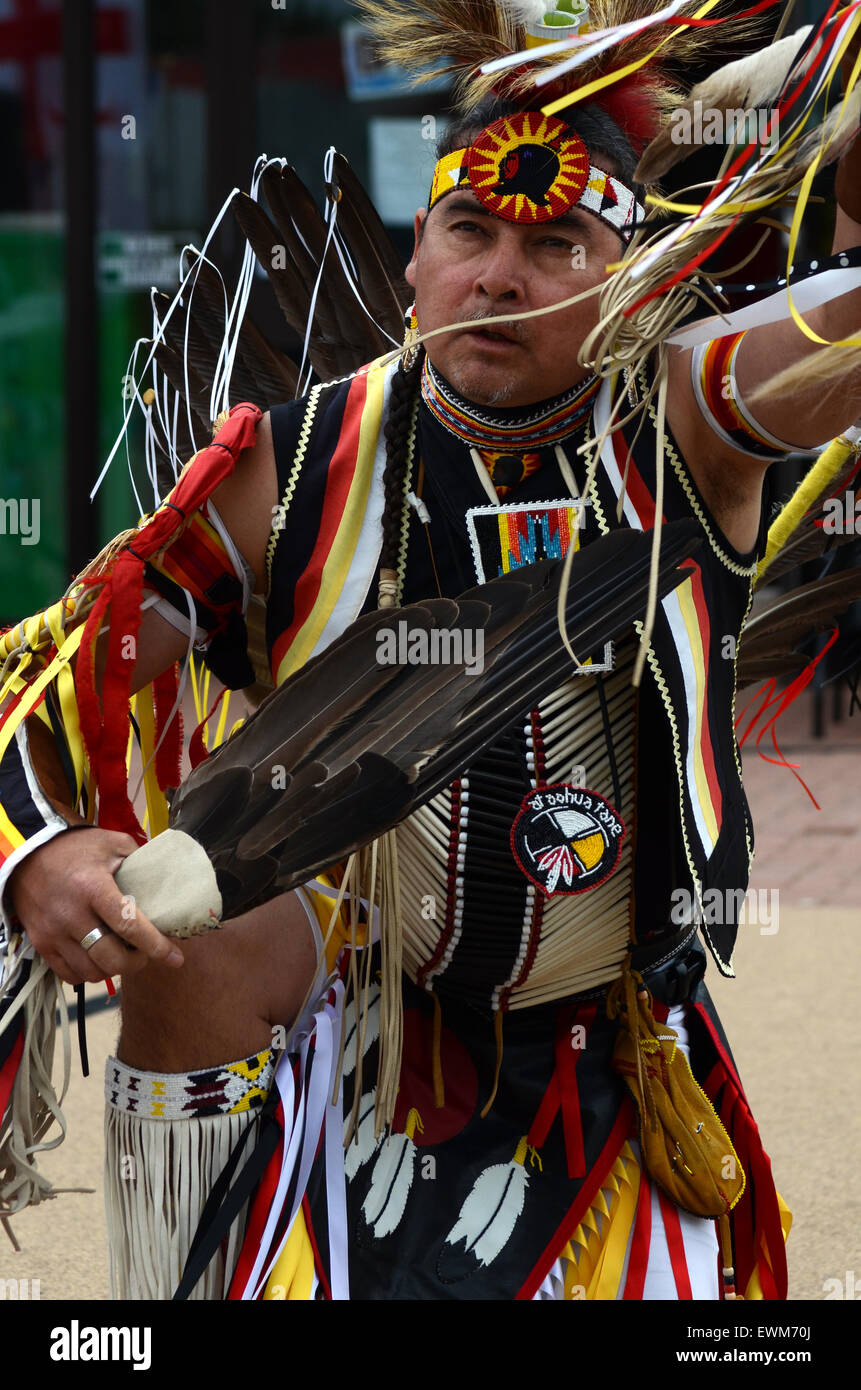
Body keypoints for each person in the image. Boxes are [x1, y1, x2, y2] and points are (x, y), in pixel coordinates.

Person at [2, 0, 861, 1300]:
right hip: (364, 1028)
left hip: (607, 1051)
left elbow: (841, 334)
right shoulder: (288, 471)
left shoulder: (689, 422)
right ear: (417, 253)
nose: (496, 276)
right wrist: (43, 852)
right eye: (468, 231)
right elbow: (54, 674)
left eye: (556, 242)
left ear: (632, 276)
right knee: (193, 947)